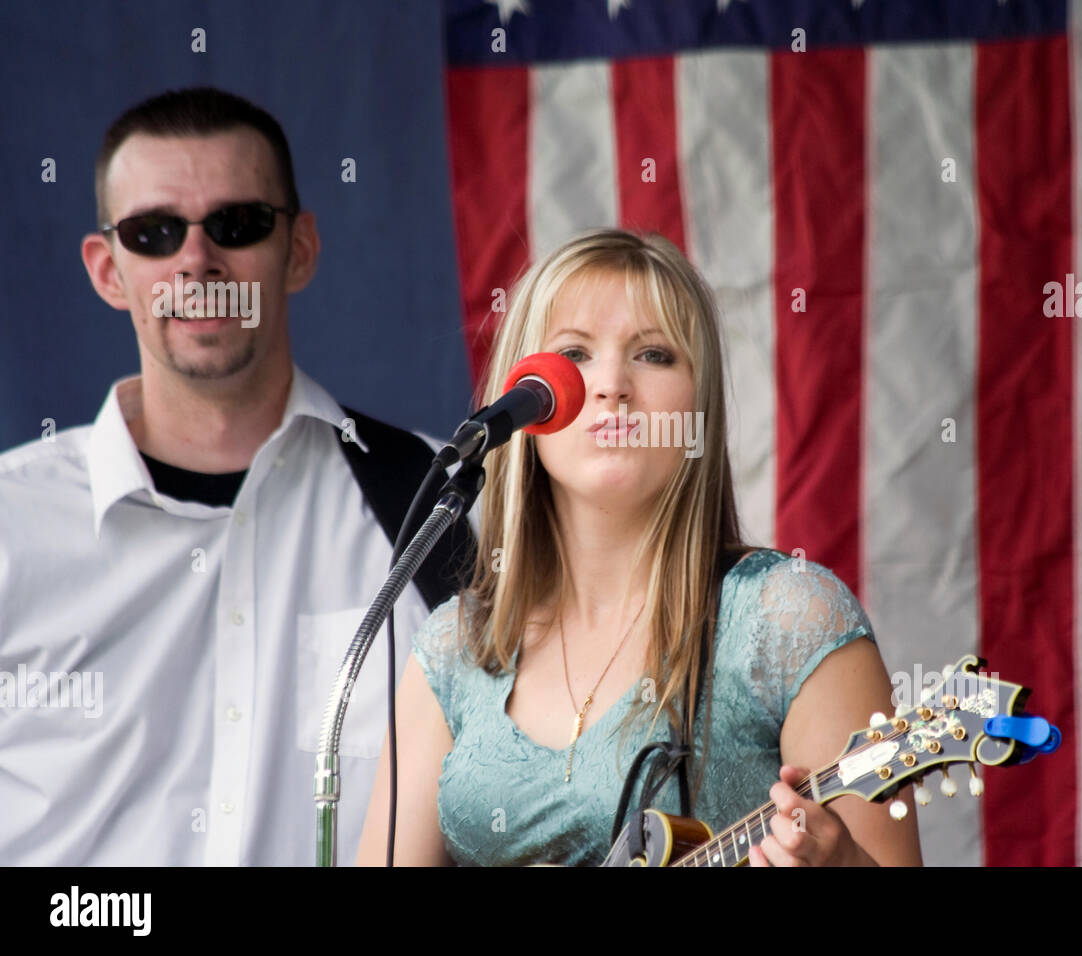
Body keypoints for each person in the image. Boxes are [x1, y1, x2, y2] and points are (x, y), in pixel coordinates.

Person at [0, 87, 473, 865]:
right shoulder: (16, 525)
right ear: (108, 270)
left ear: (301, 250)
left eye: (237, 224)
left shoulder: (446, 506)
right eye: (153, 232)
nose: (197, 260)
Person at [357, 229, 923, 866]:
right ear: (522, 404)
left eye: (654, 355)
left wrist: (840, 861)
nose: (611, 386)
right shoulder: (454, 648)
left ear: (696, 407)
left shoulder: (790, 618)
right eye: (574, 353)